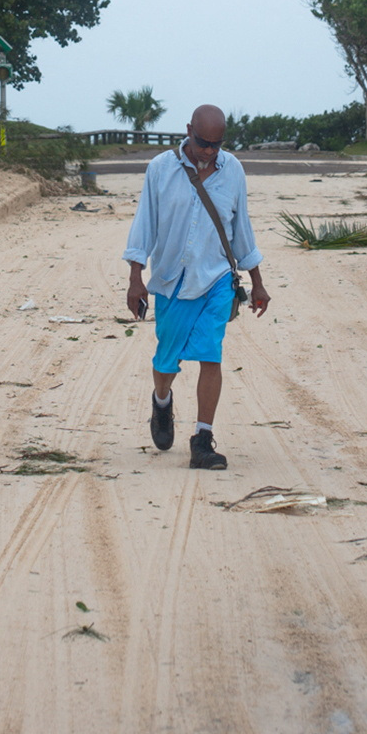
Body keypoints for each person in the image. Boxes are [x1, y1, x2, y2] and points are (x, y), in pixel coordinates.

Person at [120, 104, 270, 469]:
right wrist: (135, 278)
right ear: (188, 131)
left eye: (216, 145)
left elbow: (241, 228)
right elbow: (145, 225)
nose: (209, 151)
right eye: (203, 143)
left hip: (216, 278)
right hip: (172, 281)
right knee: (166, 361)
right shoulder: (160, 169)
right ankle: (161, 402)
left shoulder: (232, 170)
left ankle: (203, 439)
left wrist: (258, 282)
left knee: (210, 353)